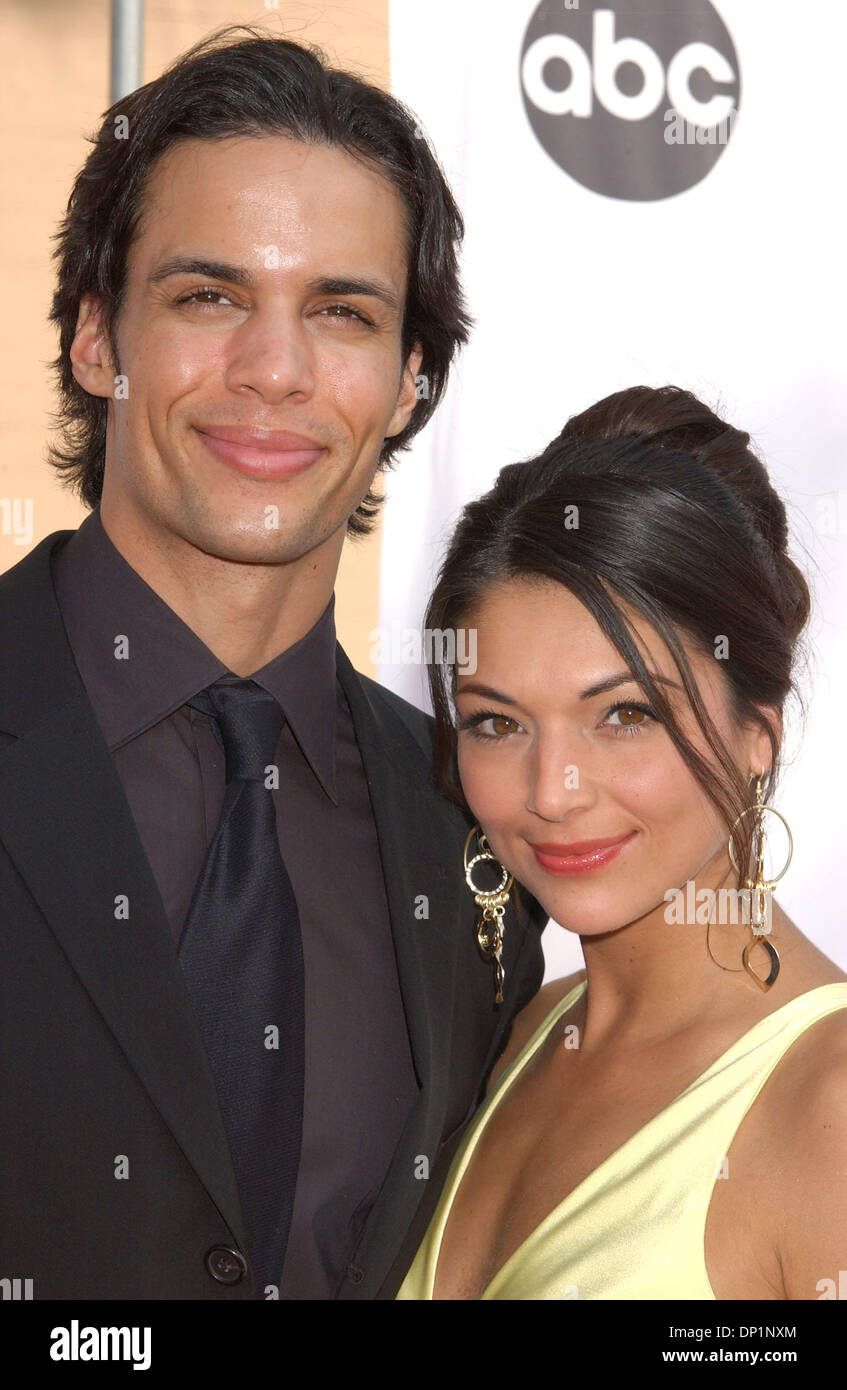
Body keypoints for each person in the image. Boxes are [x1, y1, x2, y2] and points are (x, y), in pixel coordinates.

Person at [0, 28, 546, 1301]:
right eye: (210, 296)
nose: (276, 371)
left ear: (409, 383)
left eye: (342, 313)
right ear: (97, 339)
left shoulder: (473, 820)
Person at [397, 384, 847, 1300]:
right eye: (496, 723)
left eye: (624, 714)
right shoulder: (515, 1036)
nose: (551, 792)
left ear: (756, 731)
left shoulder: (828, 1107)